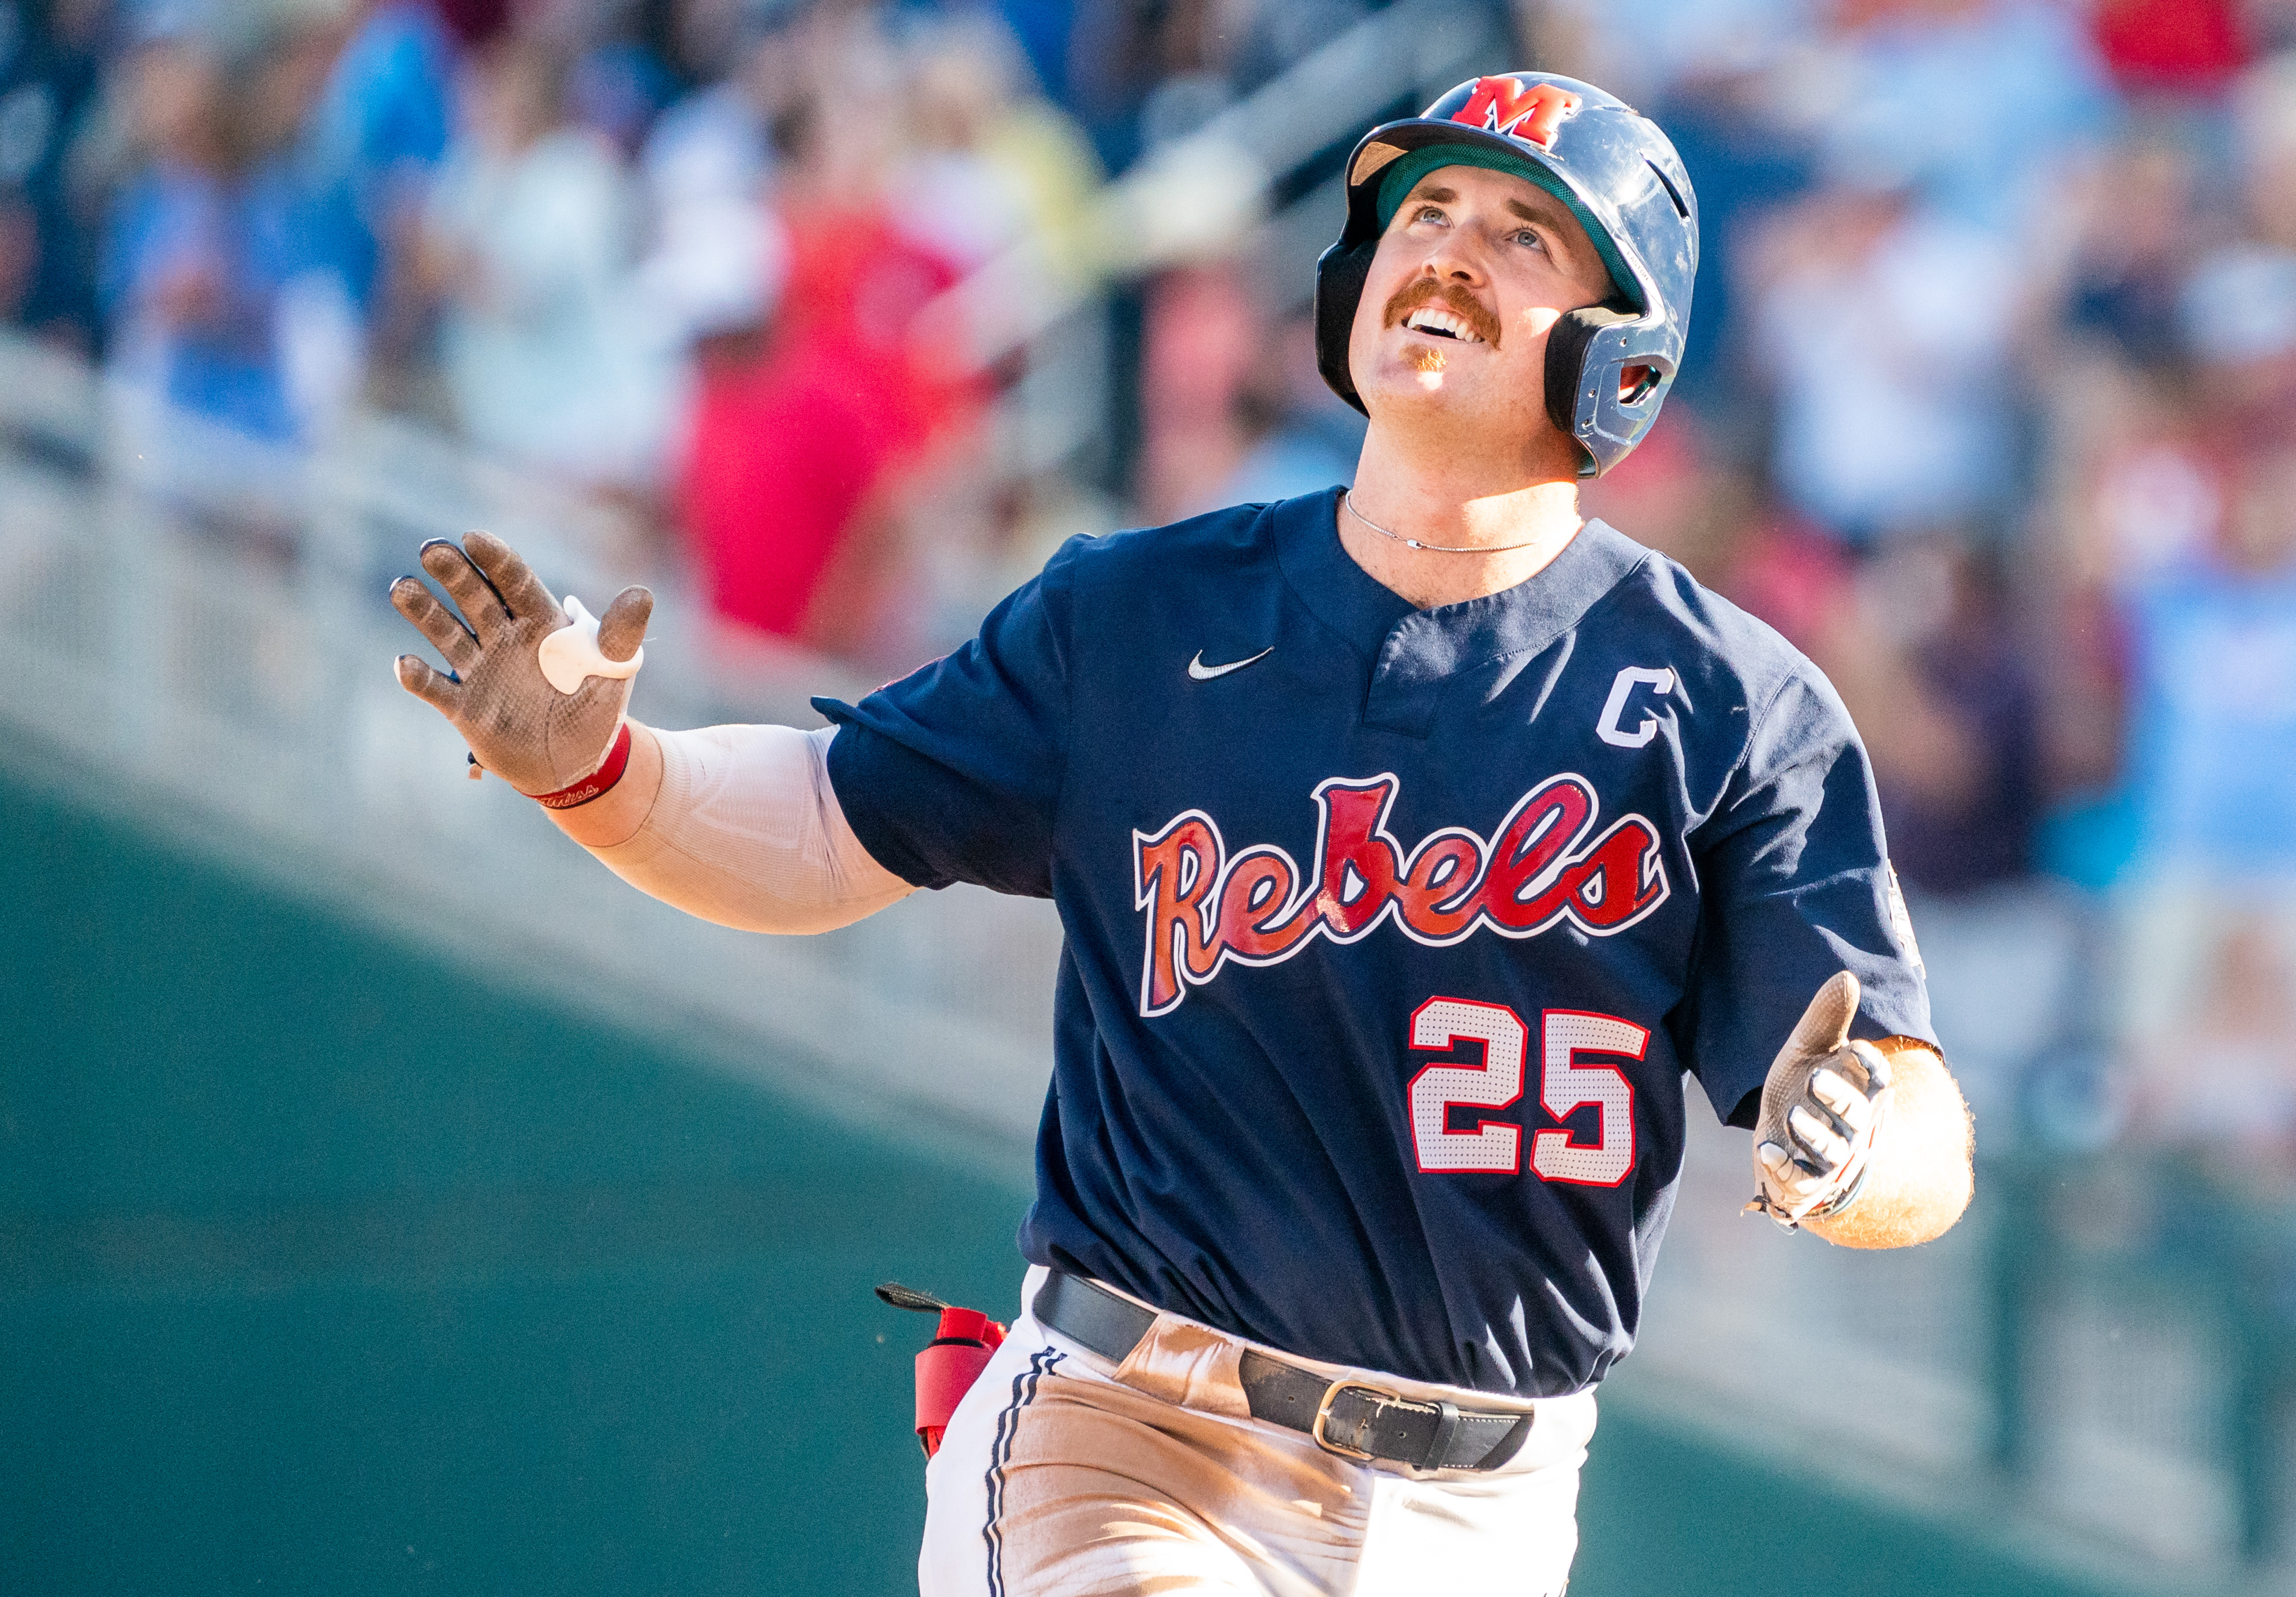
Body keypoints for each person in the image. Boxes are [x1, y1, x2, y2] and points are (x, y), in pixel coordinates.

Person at [389, 72, 1974, 1596]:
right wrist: (604, 776)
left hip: (1492, 1511)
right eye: (1426, 213)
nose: (1448, 251)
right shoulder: (1143, 615)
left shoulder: (1733, 706)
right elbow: (826, 822)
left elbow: (1908, 1111)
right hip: (1137, 1428)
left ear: (1620, 355)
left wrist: (1861, 1150)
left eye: (1523, 234)